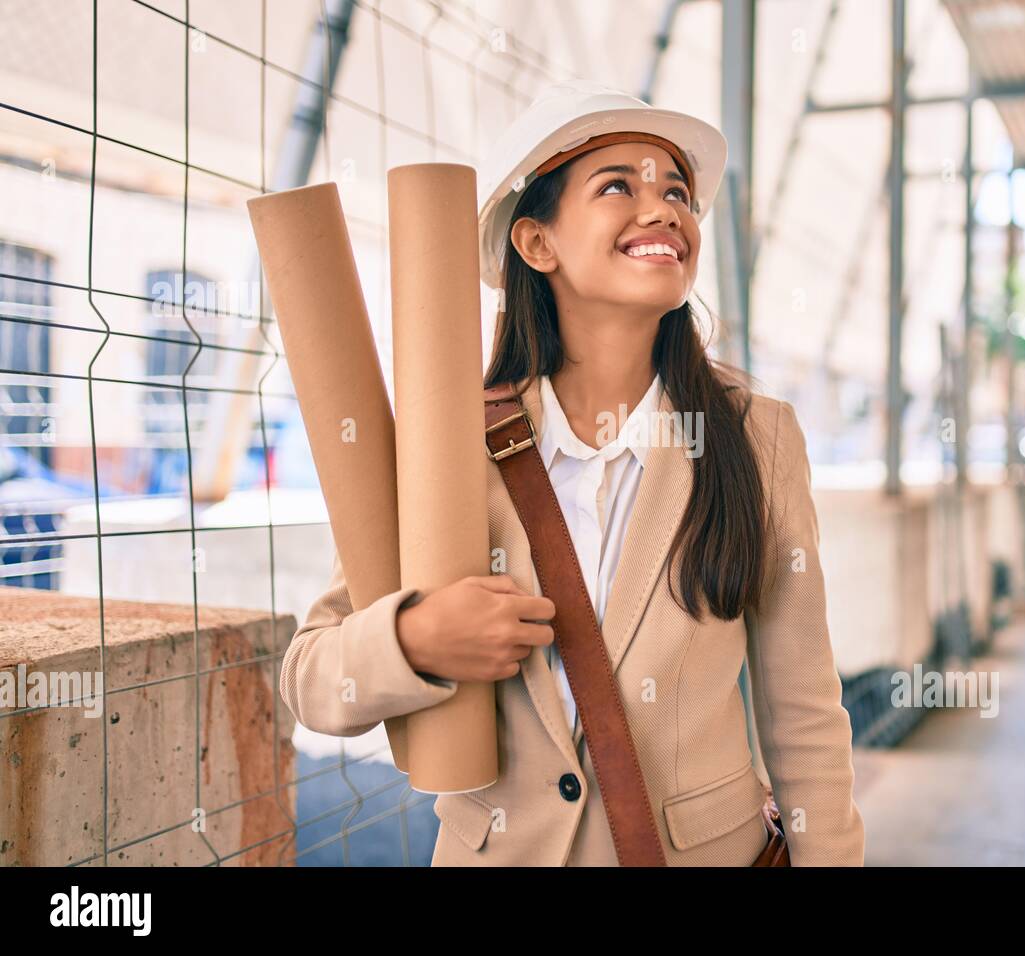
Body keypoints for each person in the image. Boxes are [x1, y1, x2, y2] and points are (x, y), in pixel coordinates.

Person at [281, 80, 866, 867]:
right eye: (618, 185)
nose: (663, 209)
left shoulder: (756, 439)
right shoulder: (445, 444)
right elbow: (313, 680)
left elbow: (804, 715)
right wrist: (415, 639)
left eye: (678, 192)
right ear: (537, 243)